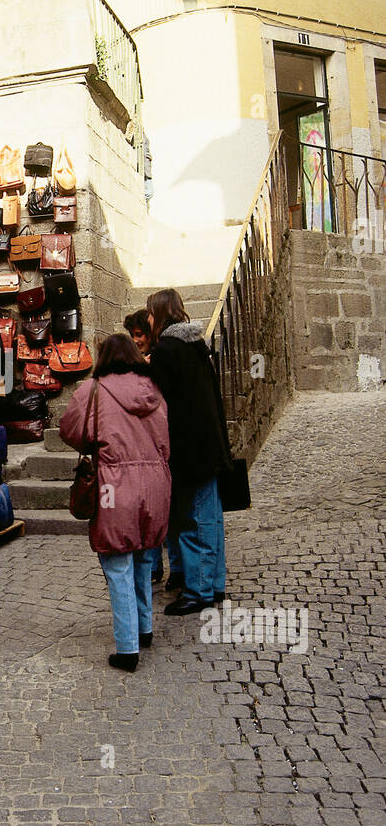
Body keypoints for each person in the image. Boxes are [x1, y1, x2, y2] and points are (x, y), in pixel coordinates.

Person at [60, 333, 171, 673]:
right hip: (154, 485)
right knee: (142, 558)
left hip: (114, 487)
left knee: (117, 565)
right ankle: (144, 627)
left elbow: (69, 430)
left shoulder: (92, 391)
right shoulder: (155, 391)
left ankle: (127, 648)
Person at [146, 288, 233, 616]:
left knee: (192, 520)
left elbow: (158, 402)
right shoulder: (196, 346)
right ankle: (214, 585)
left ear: (160, 313)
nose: (150, 320)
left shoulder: (168, 350)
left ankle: (198, 590)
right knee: (210, 518)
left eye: (151, 314)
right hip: (209, 445)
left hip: (188, 450)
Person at [123, 311, 184, 589]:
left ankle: (173, 569)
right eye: (133, 337)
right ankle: (156, 568)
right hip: (145, 450)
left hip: (159, 449)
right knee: (152, 515)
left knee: (164, 514)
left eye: (140, 335)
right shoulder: (138, 365)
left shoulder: (156, 364)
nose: (137, 341)